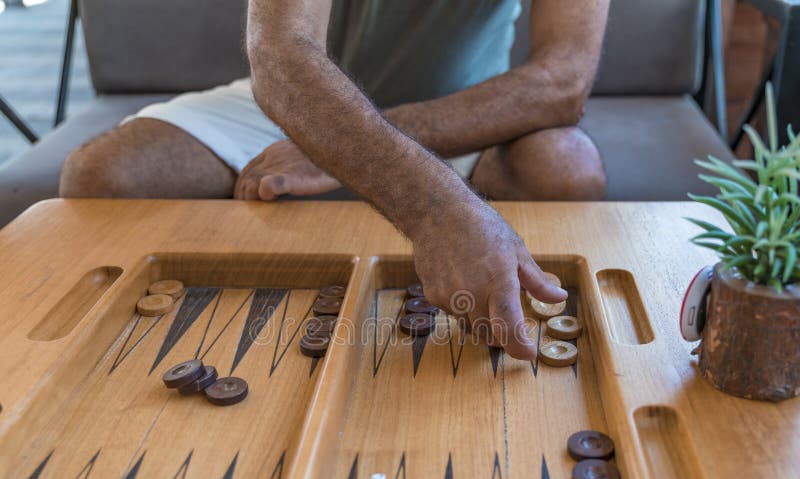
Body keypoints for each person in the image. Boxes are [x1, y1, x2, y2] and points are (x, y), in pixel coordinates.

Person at [60, 0, 610, 359]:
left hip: (464, 107)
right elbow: (279, 56)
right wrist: (428, 200)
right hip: (304, 100)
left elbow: (562, 81)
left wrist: (349, 148)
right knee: (102, 176)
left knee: (567, 168)